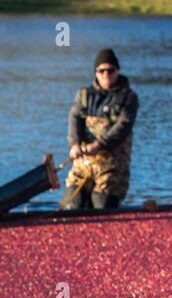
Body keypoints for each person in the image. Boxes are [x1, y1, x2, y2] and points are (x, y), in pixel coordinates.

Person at [59, 48, 139, 212]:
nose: (106, 74)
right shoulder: (84, 96)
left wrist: (99, 145)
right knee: (71, 206)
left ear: (117, 71)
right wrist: (74, 144)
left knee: (102, 207)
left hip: (112, 168)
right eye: (101, 71)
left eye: (110, 70)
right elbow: (74, 118)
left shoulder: (128, 98)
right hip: (82, 166)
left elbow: (123, 127)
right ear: (96, 73)